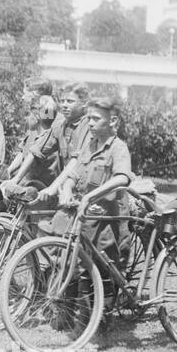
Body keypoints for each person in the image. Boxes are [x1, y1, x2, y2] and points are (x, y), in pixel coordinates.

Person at [37, 96, 133, 256]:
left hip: (105, 215)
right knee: (51, 234)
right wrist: (67, 189)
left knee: (97, 260)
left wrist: (90, 197)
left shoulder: (118, 147)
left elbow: (122, 178)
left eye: (96, 118)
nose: (90, 123)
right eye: (89, 118)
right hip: (82, 210)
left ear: (113, 121)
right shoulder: (90, 146)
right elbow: (74, 174)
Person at [1, 94, 60, 202]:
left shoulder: (49, 138)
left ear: (37, 117)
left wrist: (15, 180)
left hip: (39, 190)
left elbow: (33, 157)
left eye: (28, 114)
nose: (26, 118)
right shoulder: (32, 134)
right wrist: (9, 171)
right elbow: (22, 153)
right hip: (26, 183)